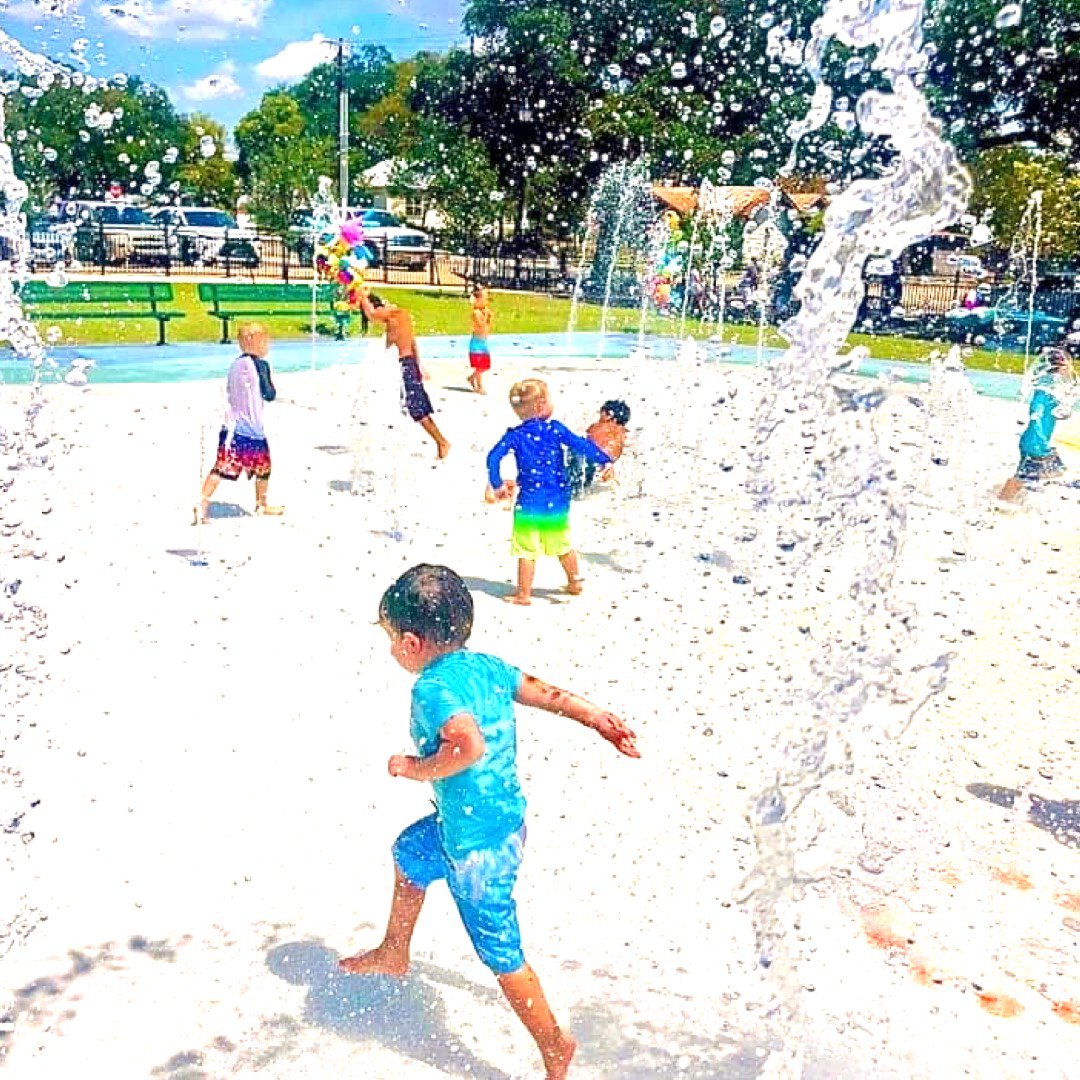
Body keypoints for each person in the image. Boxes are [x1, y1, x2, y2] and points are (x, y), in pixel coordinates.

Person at [338, 564, 639, 1080]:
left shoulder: (431, 690)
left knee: (501, 953)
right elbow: (549, 694)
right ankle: (394, 951)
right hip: (492, 824)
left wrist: (414, 769)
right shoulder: (486, 667)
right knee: (410, 854)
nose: (391, 649)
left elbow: (468, 747)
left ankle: (554, 1045)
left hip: (478, 851)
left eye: (390, 639)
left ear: (411, 642)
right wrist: (599, 720)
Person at [486, 379, 613, 605]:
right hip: (557, 499)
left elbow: (493, 457)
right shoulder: (556, 429)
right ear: (542, 405)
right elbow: (581, 445)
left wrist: (497, 484)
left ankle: (524, 594)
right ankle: (574, 582)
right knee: (562, 544)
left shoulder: (515, 435)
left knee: (526, 549)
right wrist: (605, 460)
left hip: (529, 501)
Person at [195, 322, 283, 523]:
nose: (267, 345)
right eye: (265, 340)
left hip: (232, 428)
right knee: (264, 468)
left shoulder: (235, 364)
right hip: (253, 429)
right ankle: (262, 504)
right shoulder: (261, 365)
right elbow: (269, 394)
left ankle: (202, 502)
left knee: (221, 466)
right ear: (254, 340)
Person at [355, 286, 451, 459]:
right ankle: (440, 442)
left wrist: (361, 296)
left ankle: (442, 442)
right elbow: (412, 342)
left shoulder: (394, 314)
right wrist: (420, 366)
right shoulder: (399, 317)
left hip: (406, 366)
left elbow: (371, 314)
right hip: (407, 364)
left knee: (417, 409)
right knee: (412, 408)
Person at [998, 345, 1076, 503]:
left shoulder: (1053, 386)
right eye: (1069, 365)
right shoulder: (1046, 388)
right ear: (1060, 366)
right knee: (1029, 477)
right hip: (1035, 444)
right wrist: (1039, 446)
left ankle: (1004, 498)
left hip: (1036, 442)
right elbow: (1037, 411)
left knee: (1029, 477)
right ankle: (1000, 501)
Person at [567, 399, 631, 498]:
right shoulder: (622, 433)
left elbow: (584, 444)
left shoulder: (598, 427)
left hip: (589, 461)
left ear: (608, 415)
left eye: (601, 412)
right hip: (603, 467)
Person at [467, 284, 494, 394]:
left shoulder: (484, 312)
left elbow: (488, 325)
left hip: (483, 341)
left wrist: (489, 317)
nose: (486, 301)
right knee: (480, 366)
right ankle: (479, 386)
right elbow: (481, 325)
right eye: (484, 298)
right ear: (477, 300)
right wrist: (486, 316)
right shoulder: (476, 313)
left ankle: (472, 378)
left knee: (486, 365)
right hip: (476, 343)